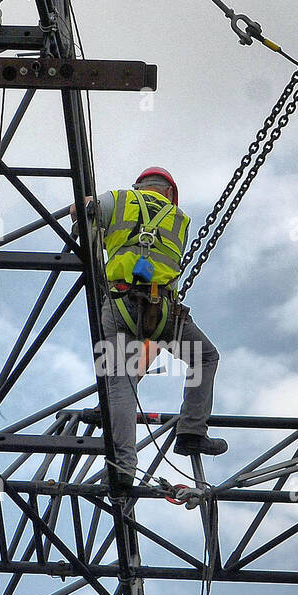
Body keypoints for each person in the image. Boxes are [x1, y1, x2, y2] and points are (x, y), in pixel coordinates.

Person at [75, 168, 225, 494]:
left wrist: (89, 219)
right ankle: (191, 432)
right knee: (205, 358)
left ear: (139, 187)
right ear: (170, 194)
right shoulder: (179, 219)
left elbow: (81, 208)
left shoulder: (120, 200)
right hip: (163, 312)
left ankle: (122, 468)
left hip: (120, 303)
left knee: (121, 380)